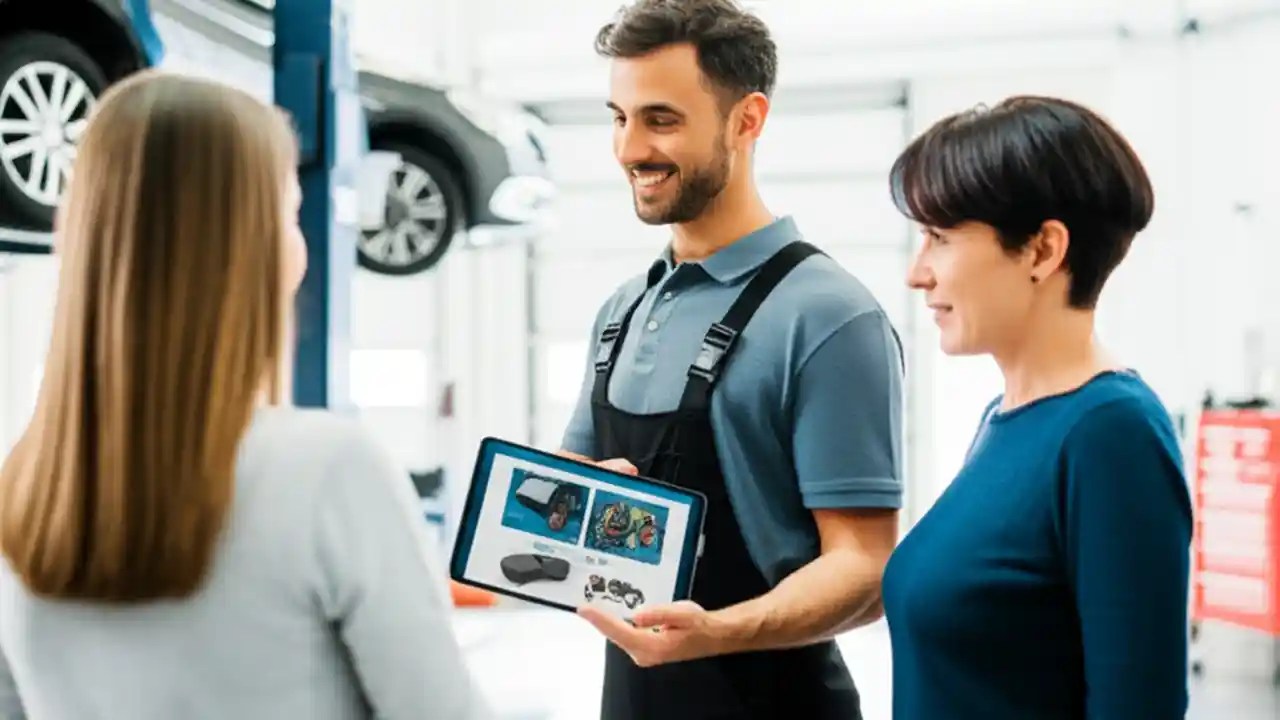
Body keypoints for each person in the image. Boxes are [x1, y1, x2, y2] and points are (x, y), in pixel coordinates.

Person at [0, 71, 489, 720]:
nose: (301, 246)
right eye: (288, 214)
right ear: (242, 248)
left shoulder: (27, 488)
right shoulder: (327, 471)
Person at [559, 1, 905, 718]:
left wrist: (715, 633)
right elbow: (572, 505)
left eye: (660, 119)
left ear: (747, 121)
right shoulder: (622, 309)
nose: (628, 149)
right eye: (618, 118)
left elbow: (866, 567)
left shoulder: (830, 316)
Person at [880, 95, 1193, 719]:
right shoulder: (1005, 418)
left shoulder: (1110, 435)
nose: (918, 273)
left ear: (1043, 251)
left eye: (940, 237)